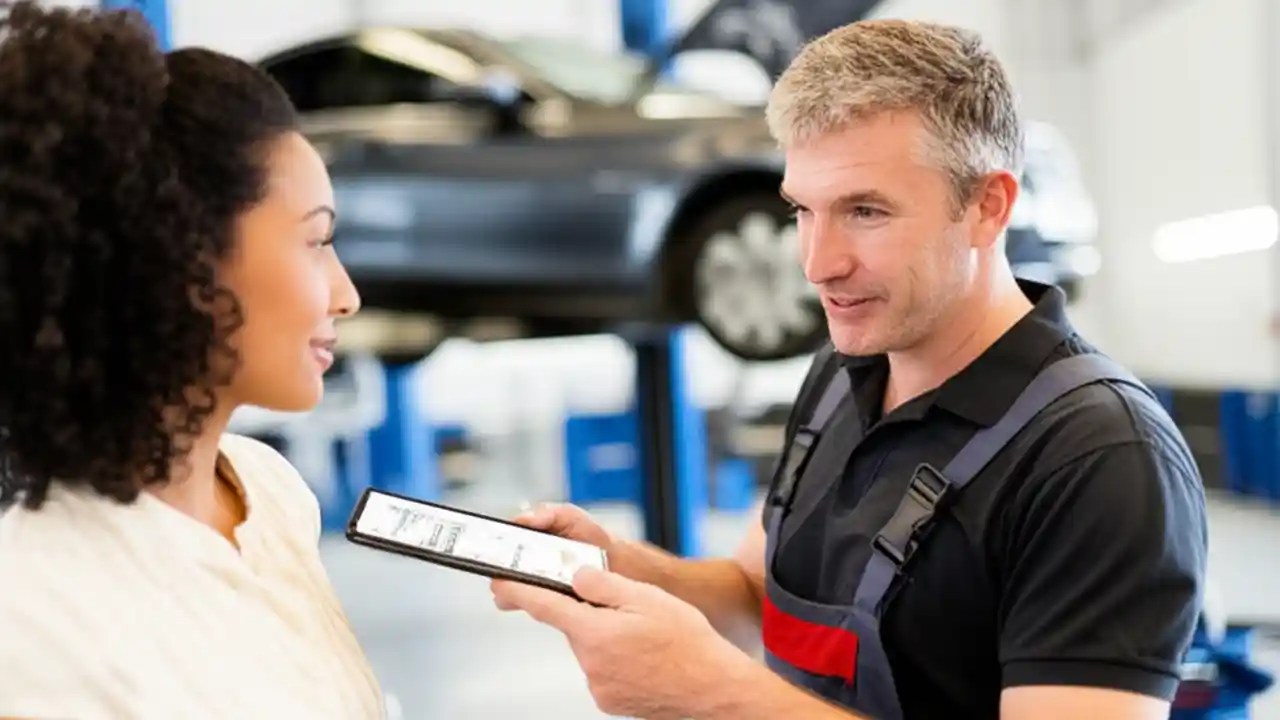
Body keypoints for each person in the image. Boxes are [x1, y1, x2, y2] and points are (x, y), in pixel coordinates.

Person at [492, 18, 1208, 720]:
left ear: (987, 207)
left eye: (865, 211)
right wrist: (616, 563)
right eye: (804, 210)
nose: (817, 263)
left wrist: (721, 697)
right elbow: (754, 594)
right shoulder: (841, 376)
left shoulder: (1100, 460)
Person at [0, 3, 385, 717]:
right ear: (183, 261)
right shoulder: (32, 617)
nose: (346, 294)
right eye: (316, 240)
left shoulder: (268, 494)